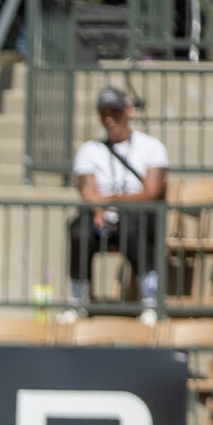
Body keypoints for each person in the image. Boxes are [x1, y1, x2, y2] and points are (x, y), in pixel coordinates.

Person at [65, 86, 168, 323]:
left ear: (128, 111)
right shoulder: (89, 150)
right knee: (79, 230)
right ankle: (79, 300)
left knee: (132, 227)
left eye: (115, 112)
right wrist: (98, 209)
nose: (109, 118)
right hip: (100, 217)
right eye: (104, 113)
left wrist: (109, 201)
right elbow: (88, 192)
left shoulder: (152, 147)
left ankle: (151, 300)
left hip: (138, 217)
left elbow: (151, 193)